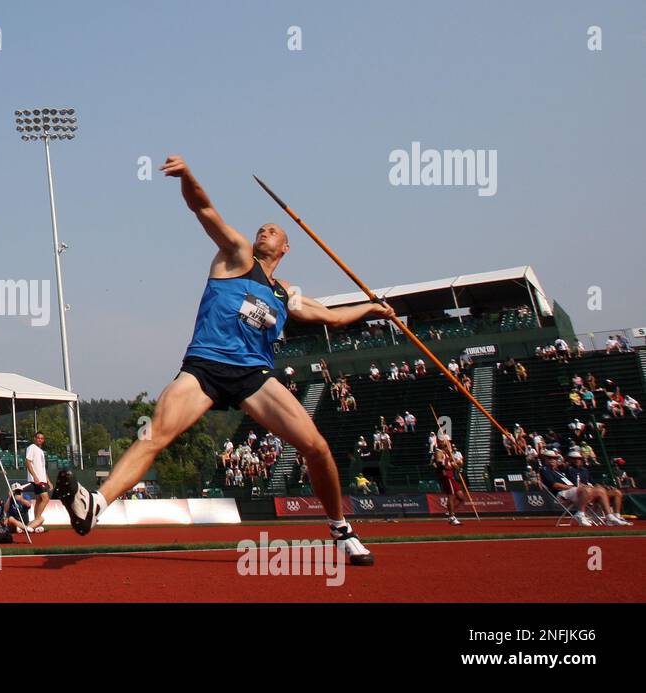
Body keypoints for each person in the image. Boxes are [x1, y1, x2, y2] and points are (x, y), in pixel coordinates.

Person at [53, 156, 395, 566]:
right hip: (205, 367)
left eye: (272, 231)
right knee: (154, 435)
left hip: (254, 375)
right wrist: (188, 176)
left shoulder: (287, 293)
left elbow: (332, 316)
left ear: (286, 247)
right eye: (261, 228)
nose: (263, 231)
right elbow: (203, 208)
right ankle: (95, 504)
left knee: (316, 446)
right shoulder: (236, 256)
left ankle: (341, 529)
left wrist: (372, 310)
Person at [432, 437, 466, 525]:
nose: (447, 443)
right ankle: (451, 516)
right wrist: (448, 466)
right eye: (445, 441)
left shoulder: (446, 452)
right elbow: (439, 462)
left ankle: (450, 513)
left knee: (461, 496)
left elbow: (453, 463)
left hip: (451, 476)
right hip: (446, 476)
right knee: (451, 495)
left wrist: (457, 464)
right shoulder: (438, 452)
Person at [23, 431, 50, 532]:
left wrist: (48, 481)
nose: (40, 440)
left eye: (42, 438)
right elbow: (28, 462)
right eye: (38, 438)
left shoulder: (41, 451)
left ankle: (35, 522)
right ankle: (37, 520)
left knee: (39, 500)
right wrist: (34, 476)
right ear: (35, 438)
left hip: (42, 479)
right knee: (45, 498)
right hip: (37, 479)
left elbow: (42, 468)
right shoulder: (31, 447)